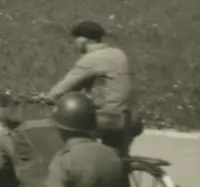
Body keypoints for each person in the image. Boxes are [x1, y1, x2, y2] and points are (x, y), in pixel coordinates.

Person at [44, 21, 136, 156]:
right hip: (130, 117)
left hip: (107, 118)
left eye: (77, 38)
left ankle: (73, 164)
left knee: (69, 132)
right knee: (118, 159)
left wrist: (48, 98)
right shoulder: (119, 54)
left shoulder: (91, 59)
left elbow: (66, 86)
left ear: (84, 39)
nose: (75, 43)